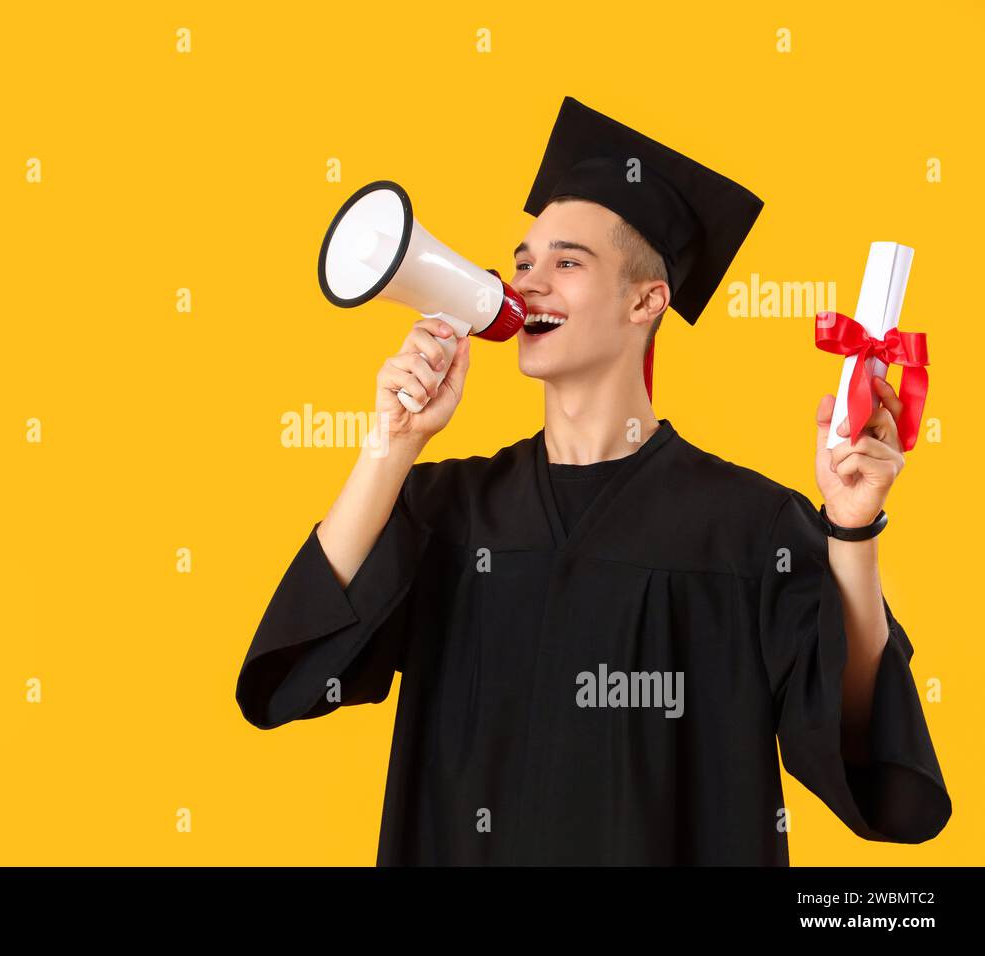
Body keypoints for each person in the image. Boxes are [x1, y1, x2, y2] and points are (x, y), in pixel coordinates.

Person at [235, 97, 951, 865]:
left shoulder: (751, 528)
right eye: (522, 262)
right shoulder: (446, 509)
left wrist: (849, 530)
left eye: (567, 262)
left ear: (648, 300)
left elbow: (868, 751)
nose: (529, 282)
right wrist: (391, 444)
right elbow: (289, 684)